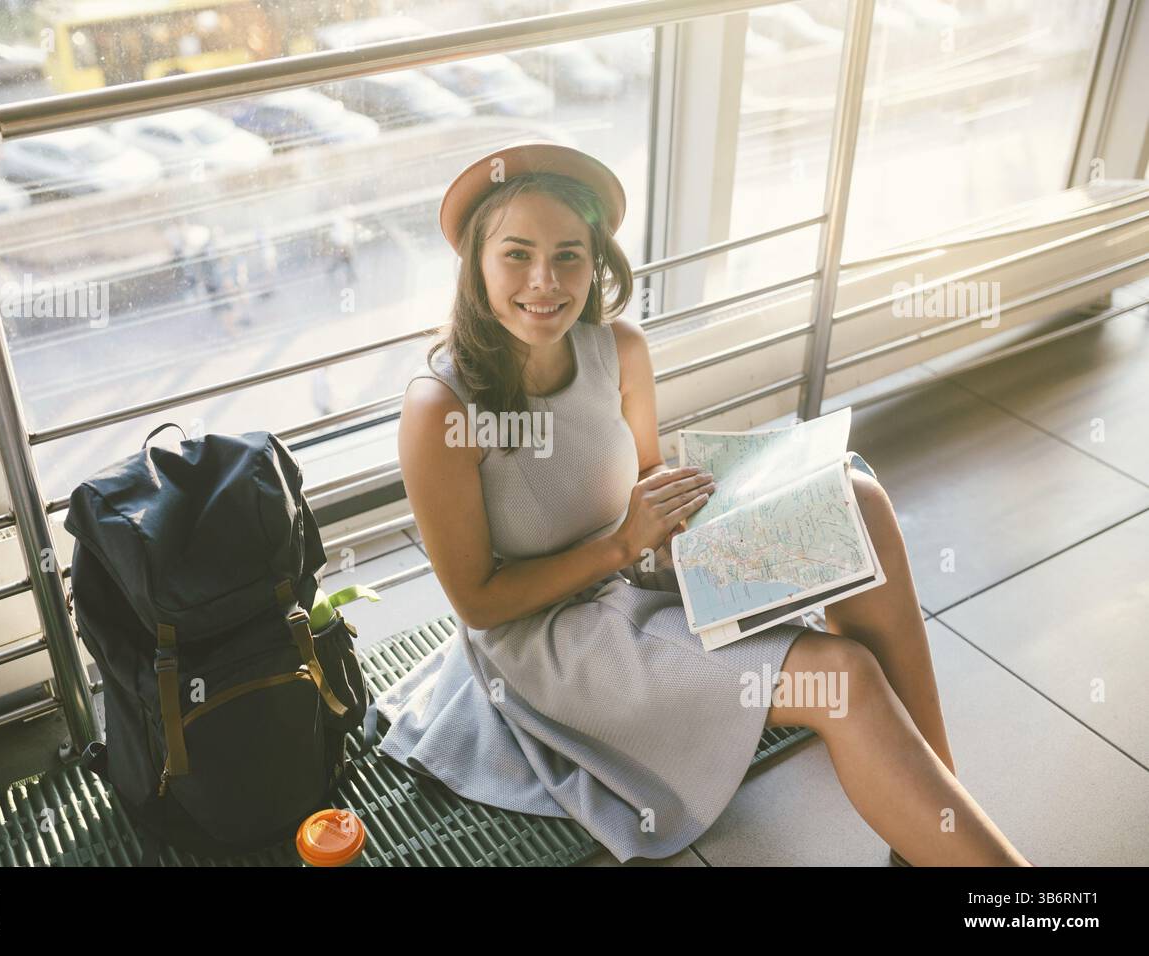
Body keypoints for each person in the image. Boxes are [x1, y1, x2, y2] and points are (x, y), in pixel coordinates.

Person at [376, 141, 1032, 866]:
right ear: (476, 262)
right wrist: (624, 543)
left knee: (860, 504)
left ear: (596, 262)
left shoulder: (618, 348)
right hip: (550, 637)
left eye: (569, 255)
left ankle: (929, 826)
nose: (544, 281)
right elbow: (479, 603)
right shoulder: (440, 408)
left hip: (635, 567)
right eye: (516, 255)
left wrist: (732, 504)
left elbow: (647, 474)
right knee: (842, 679)